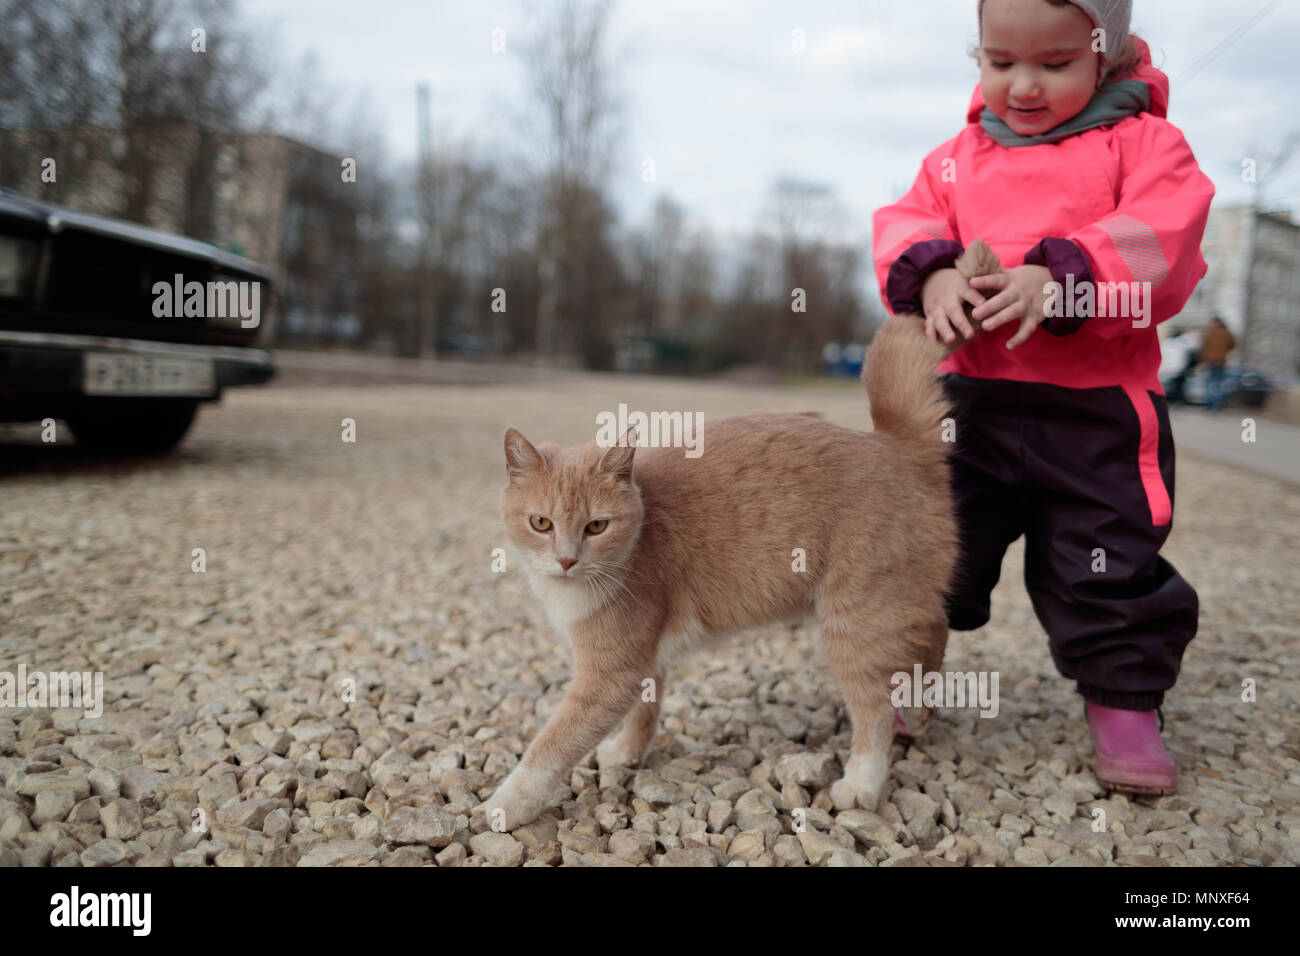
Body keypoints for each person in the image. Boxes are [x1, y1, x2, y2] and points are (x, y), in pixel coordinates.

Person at [873, 0, 1215, 795]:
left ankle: (1125, 704)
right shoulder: (957, 157)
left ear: (1108, 54)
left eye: (1055, 64)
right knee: (927, 547)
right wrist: (935, 275)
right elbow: (906, 220)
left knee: (1107, 562)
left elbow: (1166, 237)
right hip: (967, 404)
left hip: (1095, 409)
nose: (1022, 85)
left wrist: (1062, 276)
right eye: (999, 62)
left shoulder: (1144, 143)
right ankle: (901, 676)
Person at [1199, 316, 1236, 412]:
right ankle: (1218, 403)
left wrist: (1203, 360)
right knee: (1218, 383)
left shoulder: (1209, 333)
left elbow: (1204, 348)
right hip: (1221, 361)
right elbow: (1232, 345)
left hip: (1212, 361)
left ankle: (1210, 404)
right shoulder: (1227, 333)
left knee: (1210, 382)